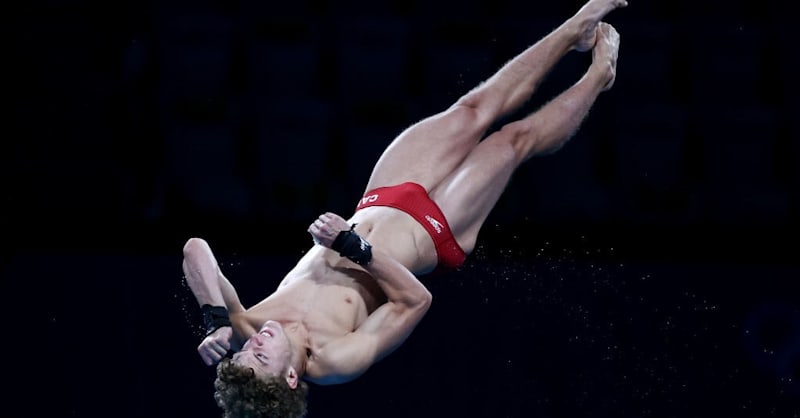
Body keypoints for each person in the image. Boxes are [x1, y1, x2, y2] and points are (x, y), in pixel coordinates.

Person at [182, 0, 627, 416]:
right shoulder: (335, 360)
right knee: (511, 141)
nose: (254, 343)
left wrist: (214, 318)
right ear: (291, 377)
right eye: (260, 357)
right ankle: (597, 76)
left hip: (380, 198)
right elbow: (415, 300)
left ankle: (574, 29)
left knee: (472, 109)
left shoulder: (245, 324)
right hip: (435, 232)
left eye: (245, 351)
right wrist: (353, 246)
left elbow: (195, 249)